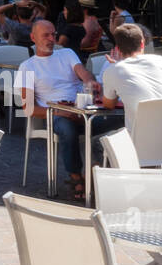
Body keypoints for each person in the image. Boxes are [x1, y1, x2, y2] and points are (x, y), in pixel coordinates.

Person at [18, 20, 114, 201]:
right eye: (45, 35)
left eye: (53, 34)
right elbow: (29, 108)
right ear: (33, 38)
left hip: (83, 109)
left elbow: (82, 72)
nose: (51, 39)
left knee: (119, 119)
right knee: (66, 129)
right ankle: (75, 177)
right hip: (54, 113)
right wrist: (59, 112)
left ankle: (103, 169)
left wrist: (89, 81)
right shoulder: (27, 66)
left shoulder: (67, 53)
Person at [100, 22, 162, 131]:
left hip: (140, 143)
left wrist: (115, 69)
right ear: (142, 44)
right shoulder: (161, 61)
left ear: (117, 48)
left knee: (96, 143)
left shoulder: (113, 70)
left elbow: (108, 105)